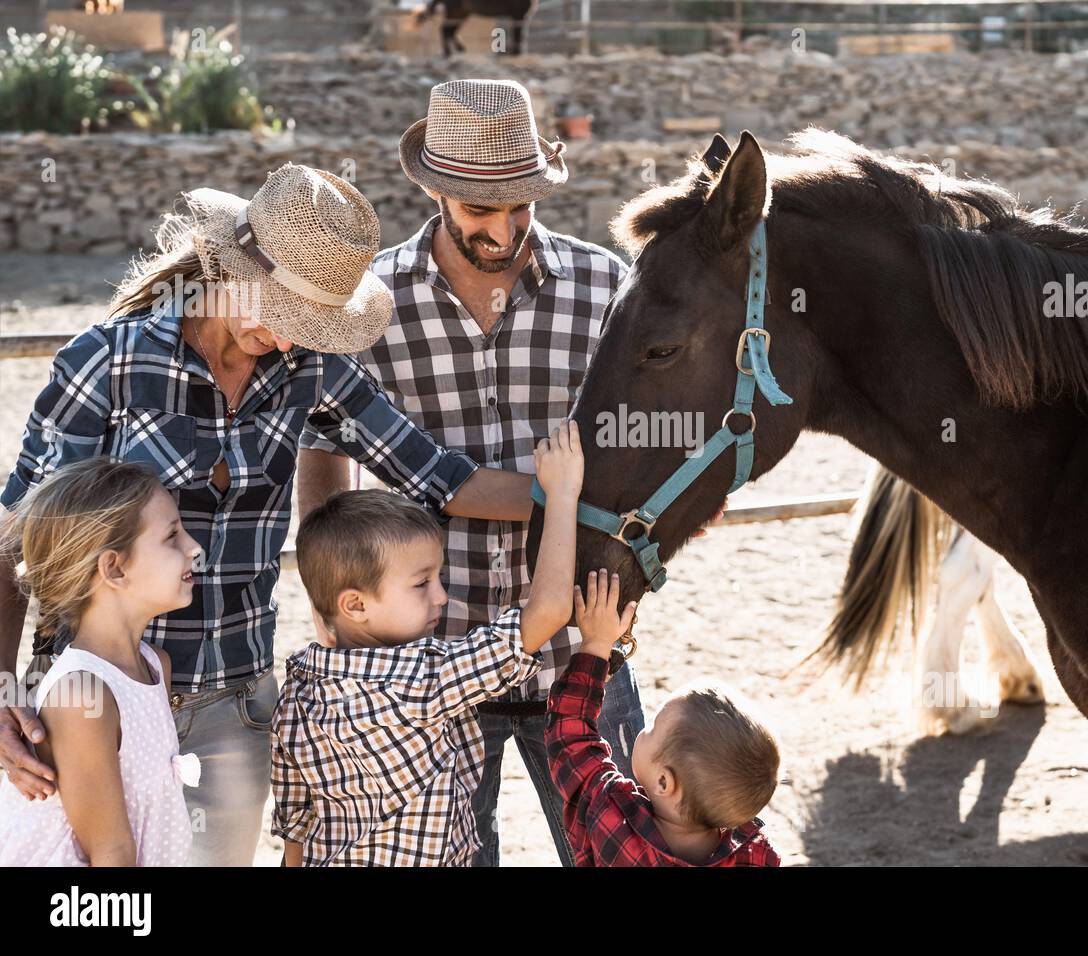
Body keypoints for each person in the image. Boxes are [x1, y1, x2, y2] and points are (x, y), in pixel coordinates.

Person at [0, 163, 534, 865]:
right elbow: (15, 542)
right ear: (228, 268)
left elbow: (445, 479)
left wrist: (591, 504)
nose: (286, 341)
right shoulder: (108, 365)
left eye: (305, 325)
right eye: (280, 315)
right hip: (92, 707)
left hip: (237, 706)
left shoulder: (308, 368)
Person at [295, 78, 646, 866]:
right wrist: (329, 597)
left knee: (622, 857)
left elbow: (646, 430)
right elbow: (324, 445)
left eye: (521, 203)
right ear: (434, 188)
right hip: (429, 659)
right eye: (480, 209)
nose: (505, 226)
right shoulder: (369, 302)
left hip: (584, 649)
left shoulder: (605, 287)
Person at [273, 422, 583, 866]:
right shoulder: (425, 678)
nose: (441, 595)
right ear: (356, 605)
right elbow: (549, 610)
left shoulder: (298, 688)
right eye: (422, 584)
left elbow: (295, 826)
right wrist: (562, 495)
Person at [0, 458, 204, 865]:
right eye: (172, 536)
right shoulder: (82, 696)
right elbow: (110, 853)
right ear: (113, 567)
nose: (194, 548)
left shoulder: (153, 665)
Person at [546, 569, 783, 867]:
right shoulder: (758, 855)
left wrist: (595, 645)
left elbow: (571, 738)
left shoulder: (615, 824)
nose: (644, 729)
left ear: (663, 781)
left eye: (653, 727)